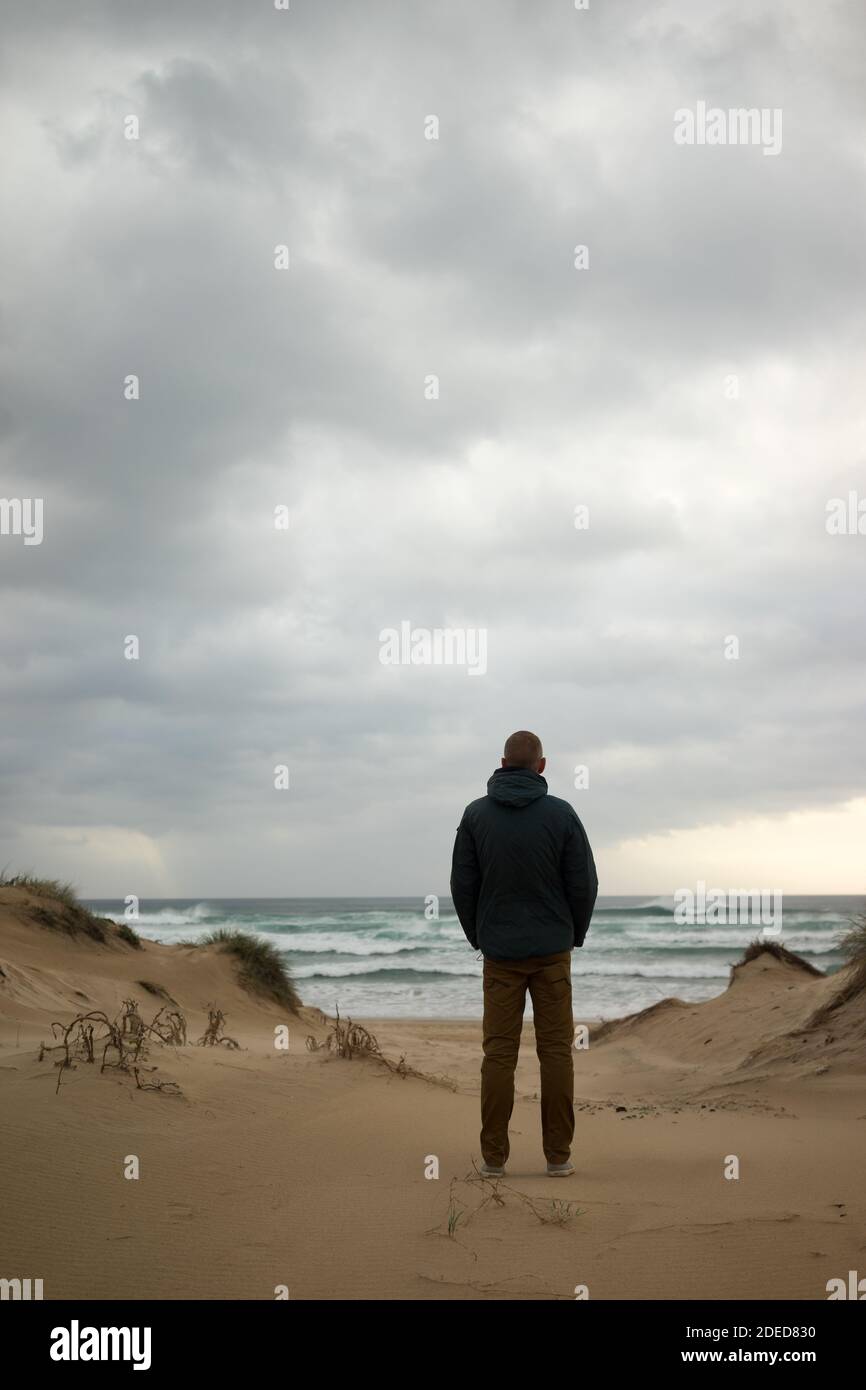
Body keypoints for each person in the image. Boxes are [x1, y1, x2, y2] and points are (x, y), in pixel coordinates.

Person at [450, 730, 597, 1177]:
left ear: (502, 763)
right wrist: (573, 934)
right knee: (556, 1053)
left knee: (498, 1055)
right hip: (552, 951)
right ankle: (558, 1158)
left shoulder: (476, 814)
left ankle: (494, 1159)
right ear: (542, 765)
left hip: (501, 954)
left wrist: (480, 937)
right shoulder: (562, 813)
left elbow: (462, 885)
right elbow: (584, 883)